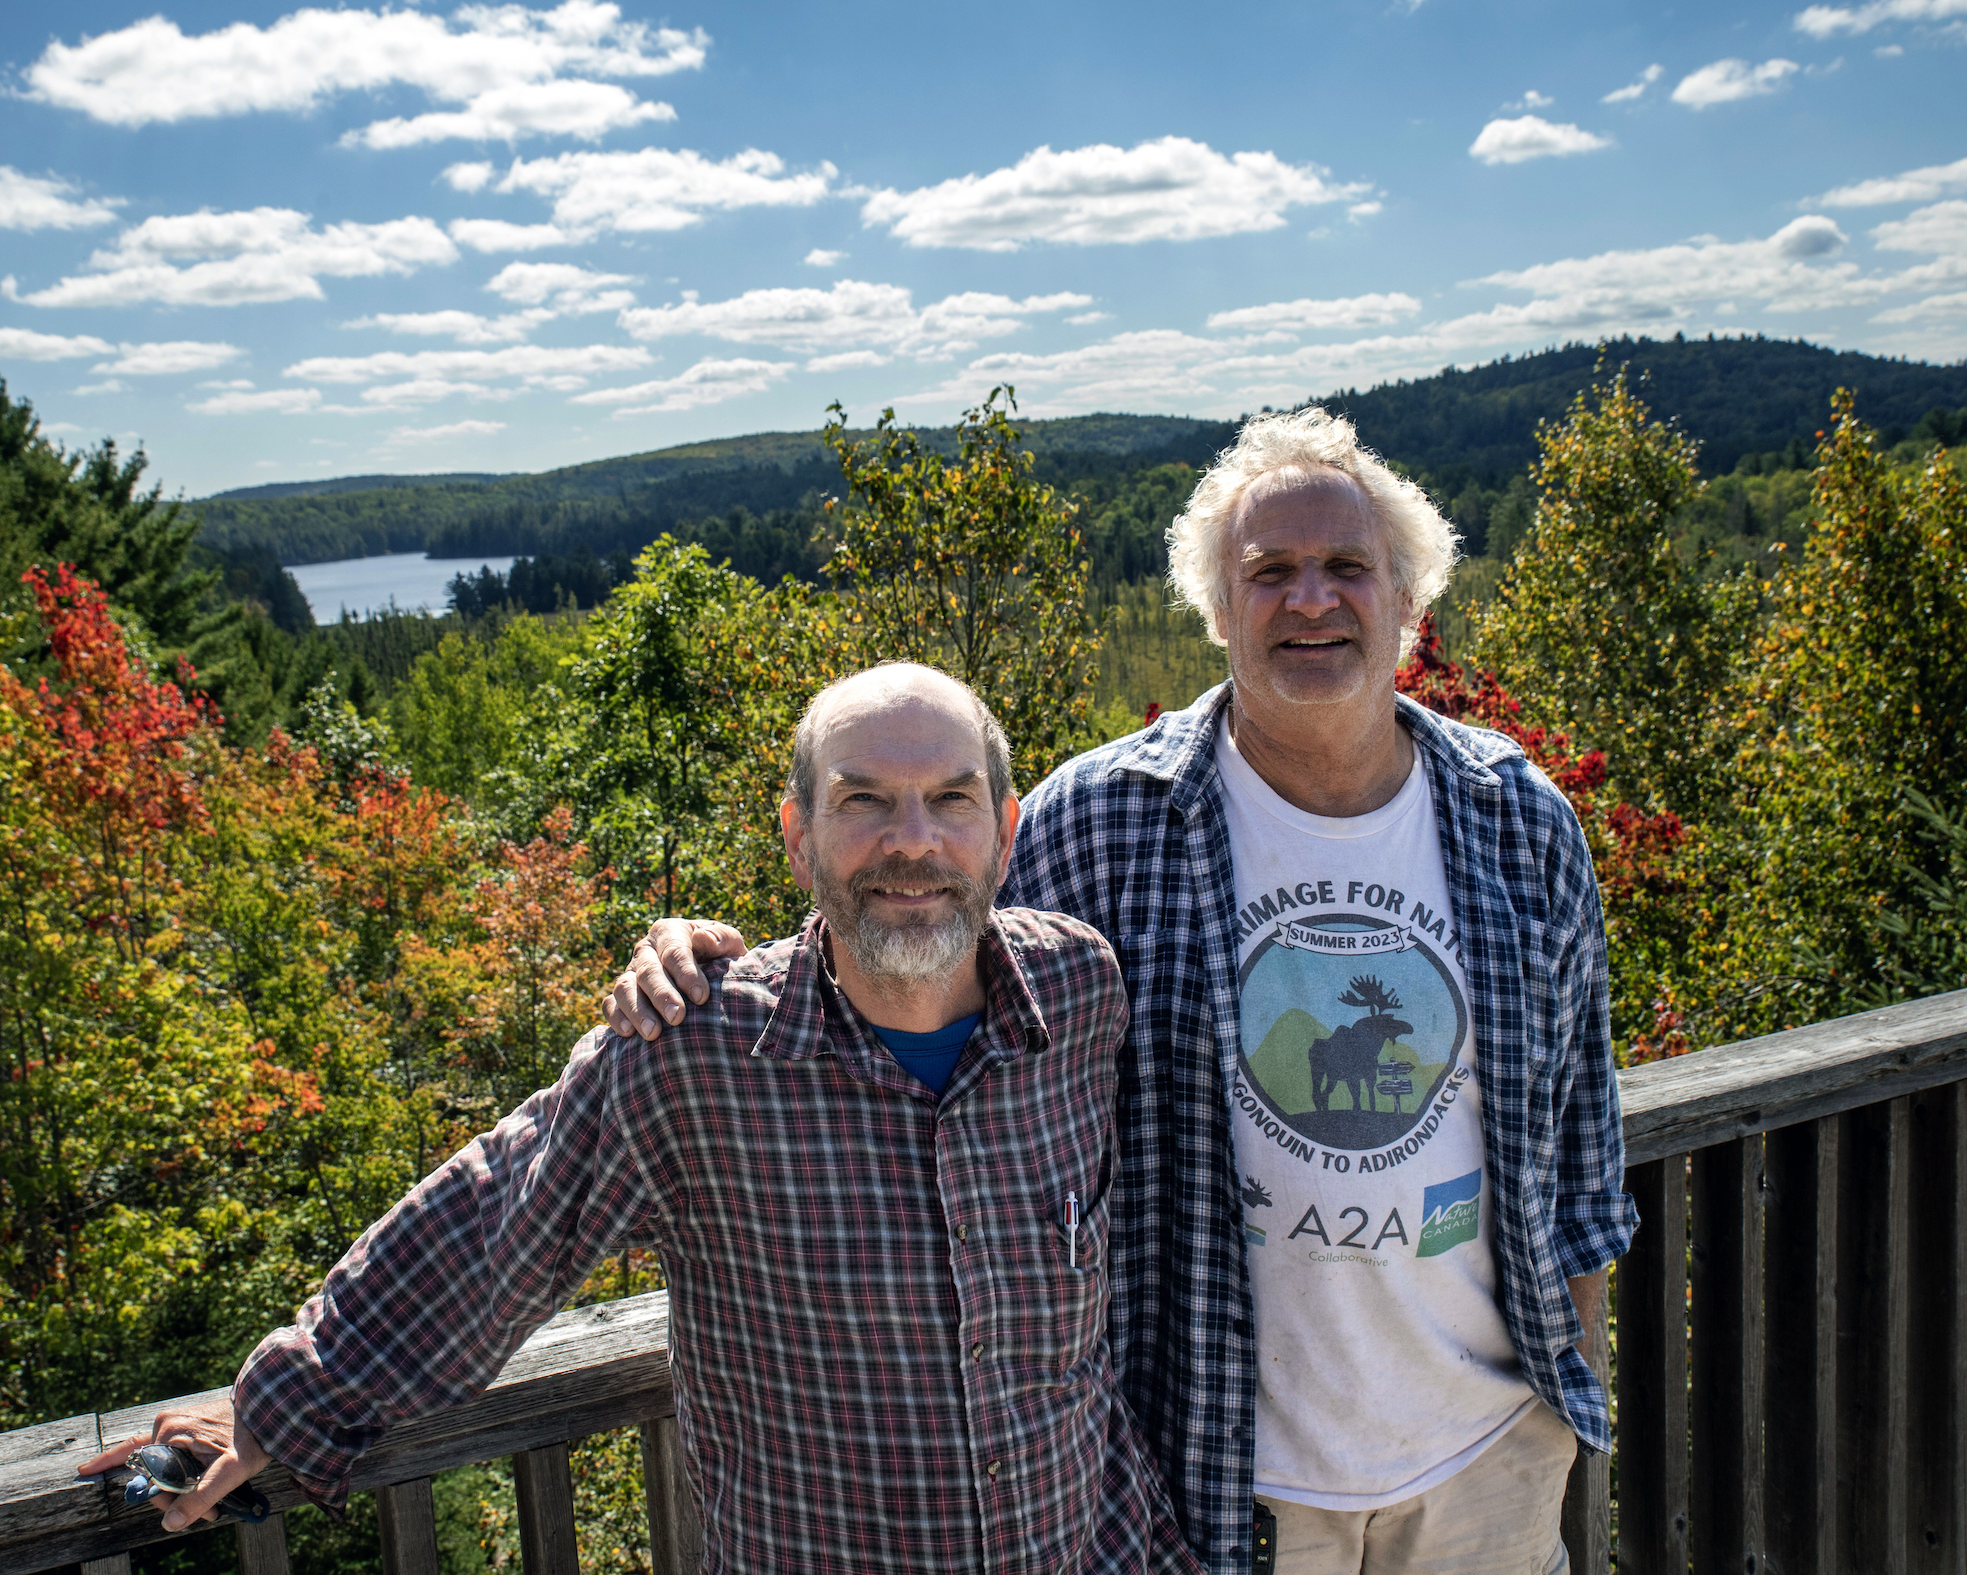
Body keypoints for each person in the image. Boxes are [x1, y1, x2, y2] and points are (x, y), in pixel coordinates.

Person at [606, 407, 1637, 1574]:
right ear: (1215, 607)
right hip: (1213, 1480)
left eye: (1348, 567)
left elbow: (1578, 1149)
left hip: (1487, 1462)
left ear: (1407, 599)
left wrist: (1565, 1394)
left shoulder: (1516, 820)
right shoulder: (1097, 822)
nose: (1310, 600)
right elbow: (908, 949)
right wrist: (711, 967)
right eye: (1269, 573)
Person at [79, 663, 1199, 1575]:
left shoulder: (1078, 995)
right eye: (862, 800)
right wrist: (278, 1410)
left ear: (1002, 826)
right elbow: (493, 1229)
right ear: (799, 834)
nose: (913, 840)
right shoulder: (694, 1055)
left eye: (950, 798)